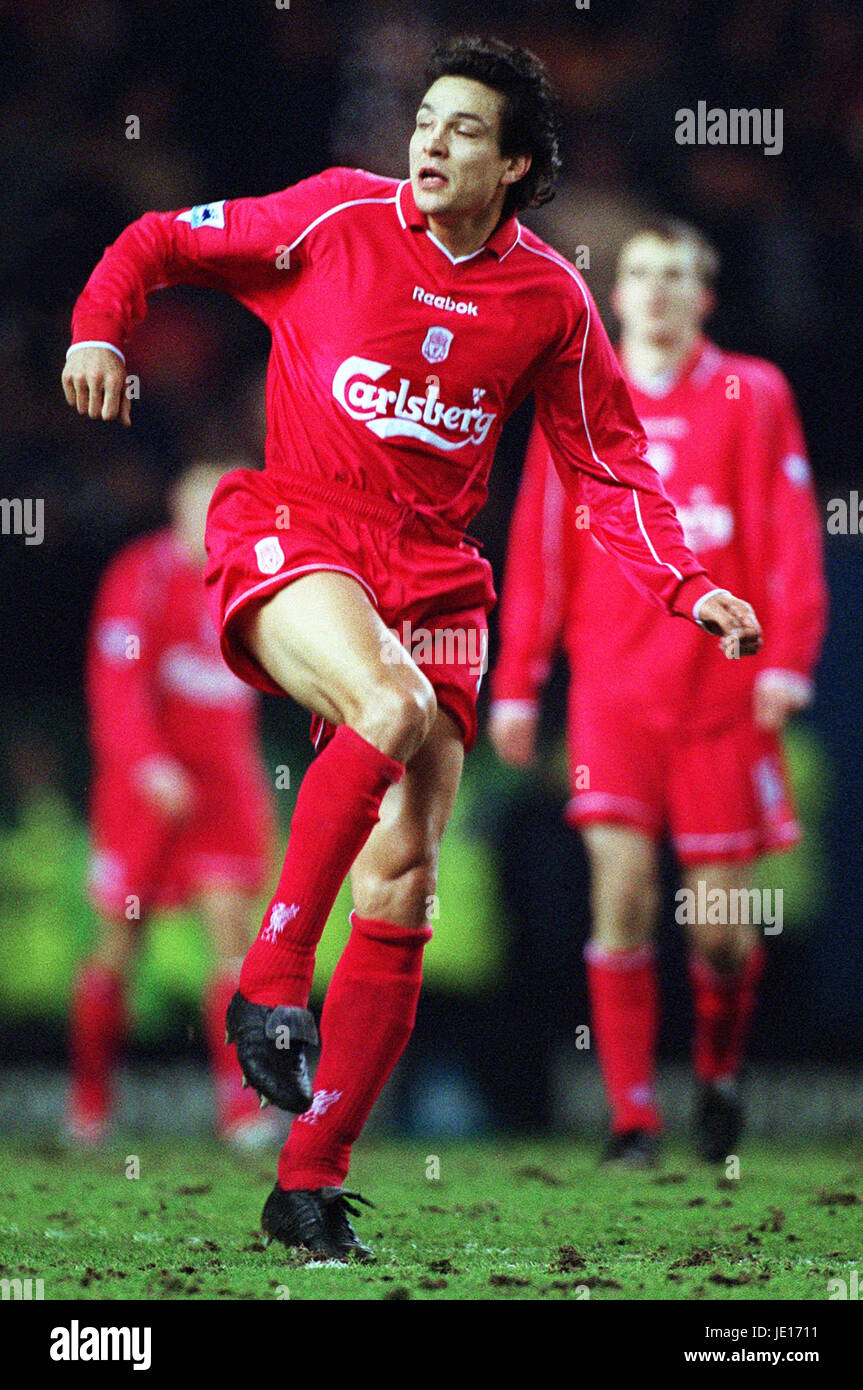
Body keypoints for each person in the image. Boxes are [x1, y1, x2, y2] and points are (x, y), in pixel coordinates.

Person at [61, 37, 762, 1260]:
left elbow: (608, 467)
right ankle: (270, 979)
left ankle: (308, 1183)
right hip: (295, 527)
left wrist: (685, 584)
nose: (430, 142)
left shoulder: (548, 299)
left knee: (404, 884)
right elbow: (160, 239)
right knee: (383, 709)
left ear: (517, 165)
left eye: (463, 130)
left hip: (436, 574)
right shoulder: (331, 217)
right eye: (425, 120)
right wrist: (99, 331)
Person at [489, 220, 827, 1166]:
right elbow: (542, 549)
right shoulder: (581, 401)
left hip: (721, 698)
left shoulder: (752, 394)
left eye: (678, 275)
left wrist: (787, 659)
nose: (658, 290)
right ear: (616, 293)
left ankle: (717, 1072)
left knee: (720, 933)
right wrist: (517, 683)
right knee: (623, 894)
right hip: (611, 697)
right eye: (640, 273)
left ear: (704, 297)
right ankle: (632, 1116)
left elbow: (788, 534)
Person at [69, 456, 279, 1151]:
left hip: (222, 787)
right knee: (118, 946)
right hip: (147, 792)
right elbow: (115, 681)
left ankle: (240, 1111)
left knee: (232, 941)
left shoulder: (254, 578)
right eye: (205, 512)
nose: (217, 527)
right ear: (177, 511)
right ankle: (90, 1103)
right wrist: (147, 763)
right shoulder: (140, 576)